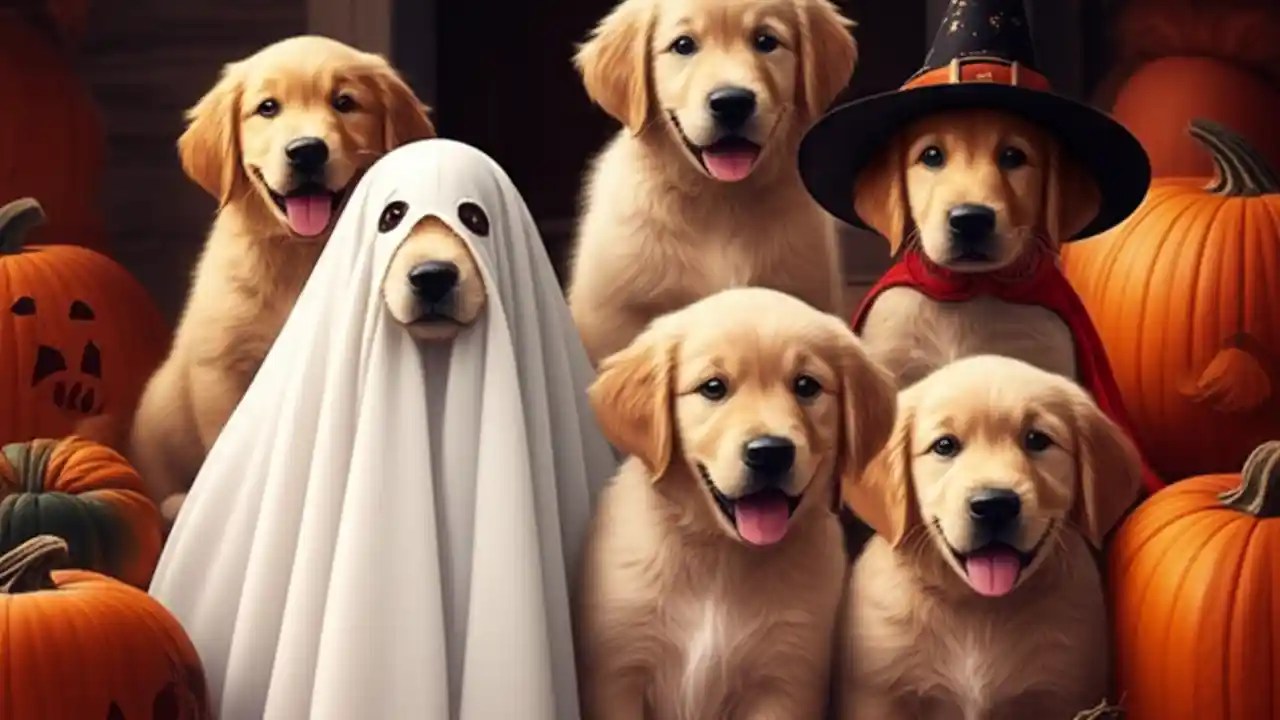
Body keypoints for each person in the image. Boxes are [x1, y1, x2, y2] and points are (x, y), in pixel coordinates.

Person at [150, 138, 617, 719]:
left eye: (471, 220)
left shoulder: (583, 485)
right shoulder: (279, 461)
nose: (434, 259)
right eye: (394, 219)